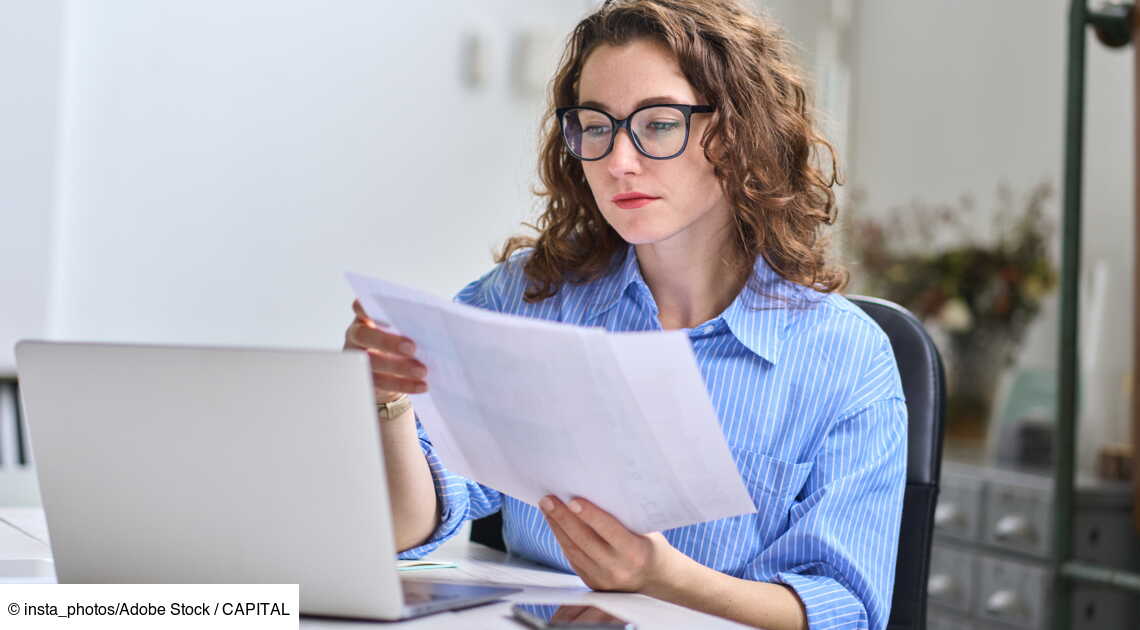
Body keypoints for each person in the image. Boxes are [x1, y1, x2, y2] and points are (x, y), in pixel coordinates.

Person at [342, 1, 906, 629]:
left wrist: (664, 580)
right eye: (595, 125)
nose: (618, 161)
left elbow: (847, 610)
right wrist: (386, 405)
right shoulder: (526, 299)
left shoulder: (848, 358)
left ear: (740, 133)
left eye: (659, 124)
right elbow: (405, 529)